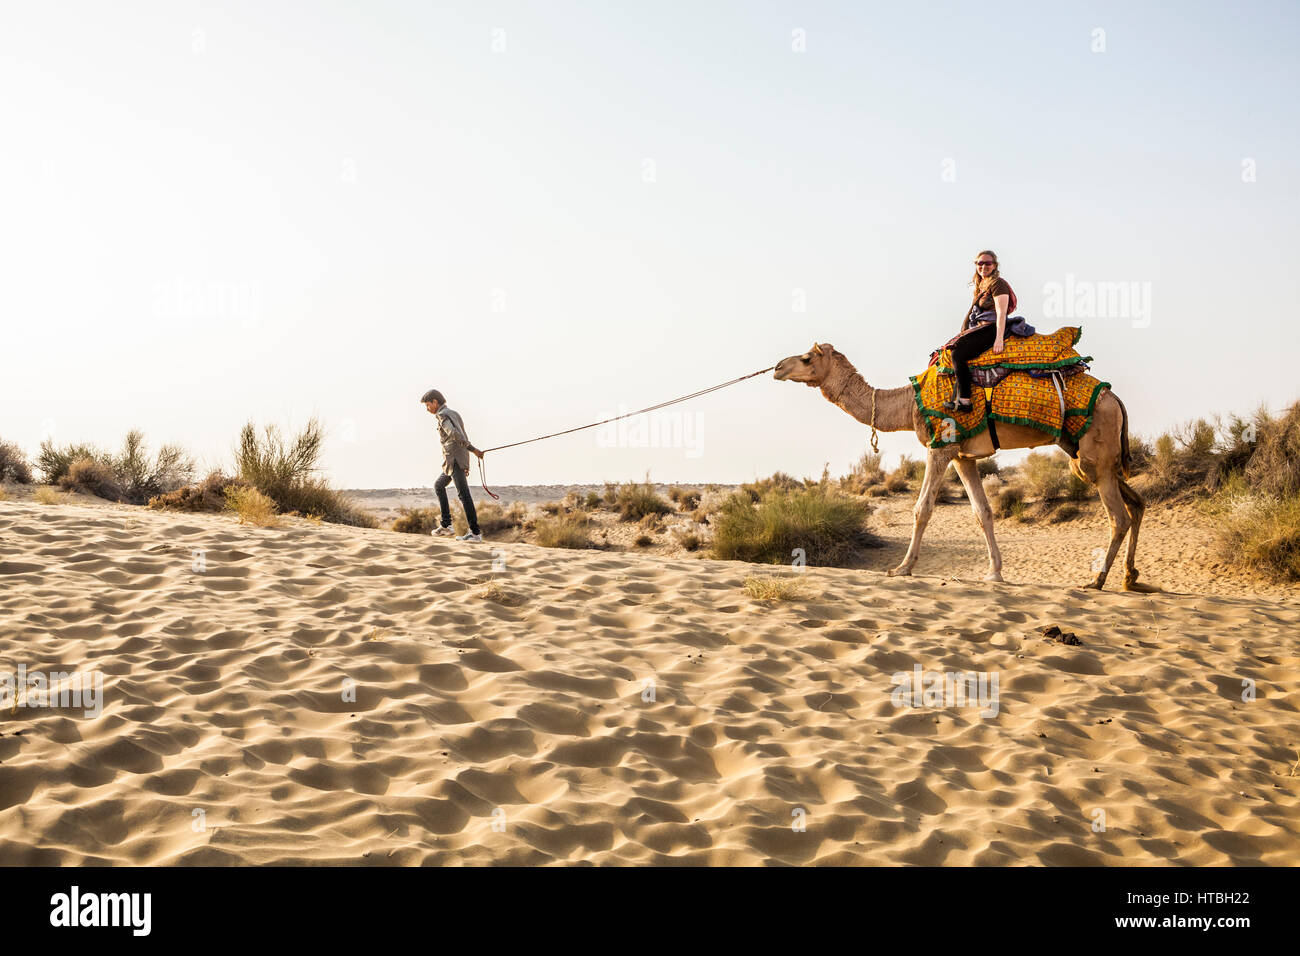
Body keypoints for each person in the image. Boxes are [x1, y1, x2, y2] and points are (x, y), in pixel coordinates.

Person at [943, 250, 1036, 412]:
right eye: (980, 263)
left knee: (958, 354)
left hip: (993, 328)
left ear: (994, 266)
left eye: (988, 263)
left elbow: (1001, 312)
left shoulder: (997, 284)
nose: (983, 266)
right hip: (981, 328)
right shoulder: (982, 285)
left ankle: (965, 401)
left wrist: (998, 339)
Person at [421, 389, 485, 542]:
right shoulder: (453, 413)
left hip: (455, 459)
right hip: (454, 460)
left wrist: (473, 449)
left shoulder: (442, 415)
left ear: (435, 402)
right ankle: (446, 525)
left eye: (428, 405)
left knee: (464, 495)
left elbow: (455, 435)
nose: (427, 409)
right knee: (439, 485)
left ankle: (475, 533)